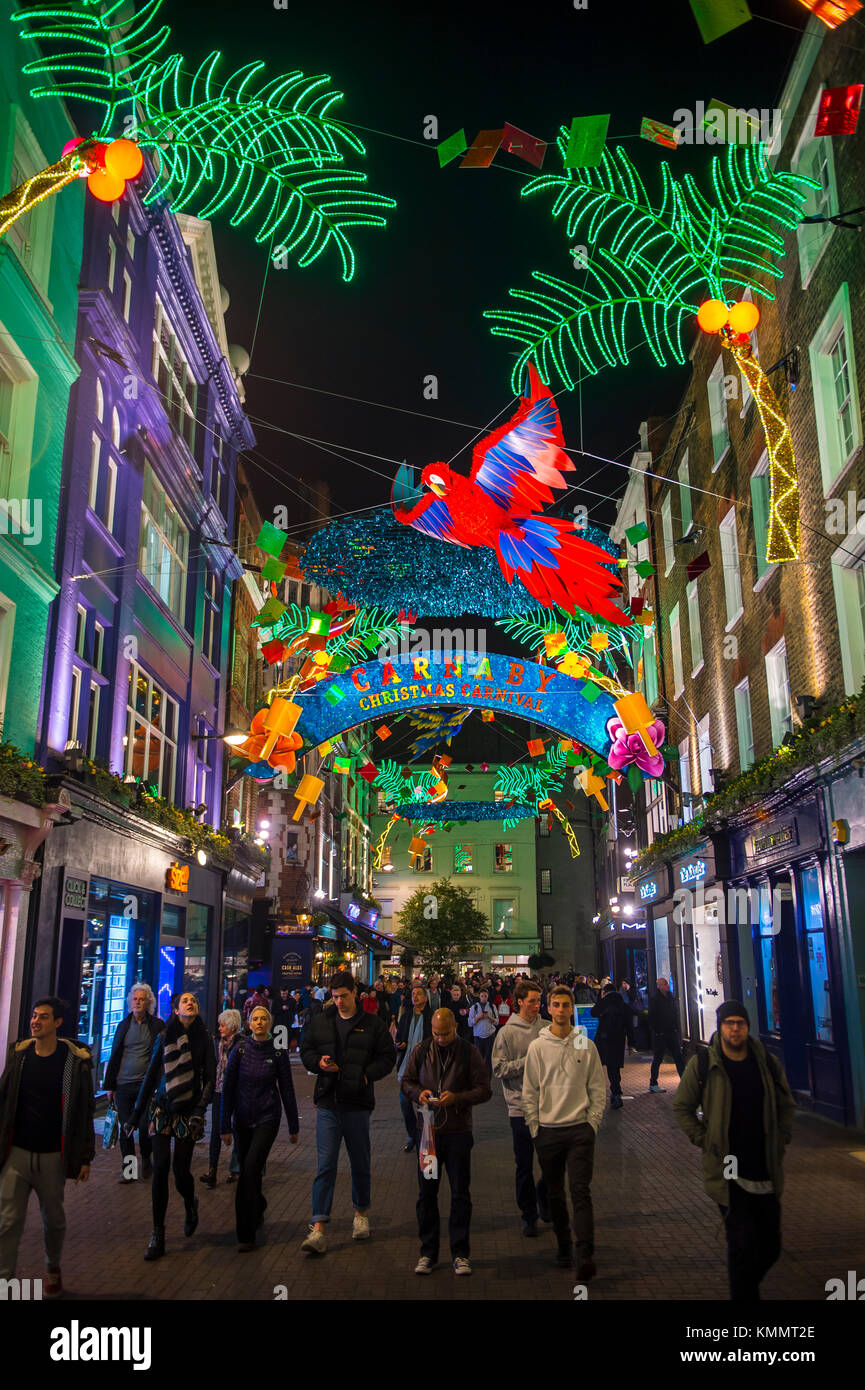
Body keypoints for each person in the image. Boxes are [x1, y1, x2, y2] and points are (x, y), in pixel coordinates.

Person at [673, 1001, 795, 1301]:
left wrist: (781, 1139)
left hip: (764, 1167)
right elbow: (683, 1108)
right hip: (727, 1172)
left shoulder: (765, 1061)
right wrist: (705, 1140)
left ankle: (746, 1289)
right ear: (720, 1026)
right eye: (729, 1023)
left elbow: (786, 1105)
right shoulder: (704, 1064)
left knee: (770, 1246)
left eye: (740, 1022)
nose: (735, 1028)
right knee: (740, 1246)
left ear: (748, 1026)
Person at [0, 997, 94, 1297]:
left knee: (53, 1220)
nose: (35, 1021)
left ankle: (52, 1266)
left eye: (43, 1017)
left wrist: (85, 1157)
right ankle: (5, 1285)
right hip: (17, 1153)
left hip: (53, 1155)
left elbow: (83, 1111)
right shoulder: (20, 1056)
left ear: (58, 1023)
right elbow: (4, 1100)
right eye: (34, 1016)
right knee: (8, 1221)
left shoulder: (72, 1062)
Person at [299, 971, 396, 1254]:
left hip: (357, 1103)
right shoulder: (321, 1022)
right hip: (328, 1102)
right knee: (325, 1164)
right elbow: (306, 1050)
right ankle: (318, 1227)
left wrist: (367, 1075)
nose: (339, 1001)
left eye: (343, 996)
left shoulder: (372, 1024)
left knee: (360, 1161)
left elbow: (387, 1057)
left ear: (355, 993)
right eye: (334, 996)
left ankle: (360, 1214)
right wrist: (319, 1062)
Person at [522, 984, 606, 1278]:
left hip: (580, 1130)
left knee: (580, 1191)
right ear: (548, 1008)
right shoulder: (537, 1047)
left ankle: (585, 1253)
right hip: (548, 1131)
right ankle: (563, 1245)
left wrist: (592, 1122)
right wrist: (535, 1128)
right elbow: (529, 1090)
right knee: (555, 1194)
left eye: (565, 1005)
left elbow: (597, 1087)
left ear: (573, 1008)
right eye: (555, 1005)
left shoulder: (585, 1044)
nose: (560, 1010)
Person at [401, 1007, 491, 1276]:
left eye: (446, 1033)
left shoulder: (468, 1051)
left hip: (458, 1133)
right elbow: (405, 1082)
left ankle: (460, 1253)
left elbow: (485, 1090)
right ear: (431, 1029)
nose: (440, 1038)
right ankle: (427, 1253)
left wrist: (458, 1098)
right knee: (426, 1194)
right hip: (428, 1133)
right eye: (436, 1034)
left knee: (460, 1193)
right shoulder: (420, 1050)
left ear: (455, 1027)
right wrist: (419, 1093)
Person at [127, 991, 215, 1261]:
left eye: (194, 1001)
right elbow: (151, 1075)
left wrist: (200, 1109)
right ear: (175, 1009)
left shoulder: (204, 1038)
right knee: (161, 1165)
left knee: (181, 1172)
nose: (191, 1003)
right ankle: (158, 1233)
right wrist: (135, 1115)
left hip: (189, 1110)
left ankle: (190, 1203)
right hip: (163, 1107)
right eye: (185, 1001)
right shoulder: (165, 1036)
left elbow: (210, 1078)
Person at [220, 1005, 299, 1250]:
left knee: (250, 1168)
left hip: (267, 1117)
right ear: (249, 1023)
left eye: (264, 1018)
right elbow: (228, 1088)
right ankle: (258, 1203)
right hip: (243, 1118)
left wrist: (293, 1125)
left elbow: (286, 1088)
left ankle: (245, 1233)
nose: (260, 1022)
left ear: (270, 1023)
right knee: (248, 1170)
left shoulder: (277, 1051)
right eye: (255, 1019)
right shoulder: (240, 1049)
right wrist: (224, 1125)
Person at [491, 977, 549, 1236]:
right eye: (533, 1001)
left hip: (549, 1106)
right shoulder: (507, 1033)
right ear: (520, 1003)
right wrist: (529, 1061)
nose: (538, 1006)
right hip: (519, 1108)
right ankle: (528, 1214)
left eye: (540, 1001)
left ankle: (544, 1196)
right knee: (524, 1164)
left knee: (551, 1162)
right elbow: (499, 1069)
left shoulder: (548, 1029)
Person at [104, 982, 165, 1183]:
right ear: (130, 1002)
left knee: (144, 1127)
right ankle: (129, 1171)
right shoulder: (123, 1025)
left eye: (141, 999)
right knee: (125, 1130)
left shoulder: (156, 1026)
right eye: (135, 999)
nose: (138, 1002)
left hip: (145, 1086)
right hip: (123, 1084)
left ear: (149, 1002)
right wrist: (110, 1085)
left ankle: (147, 1159)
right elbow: (115, 1055)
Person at [201, 1008, 242, 1188]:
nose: (219, 1028)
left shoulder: (242, 1045)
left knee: (238, 1131)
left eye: (222, 1025)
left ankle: (236, 1169)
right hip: (219, 1091)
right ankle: (212, 1170)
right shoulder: (217, 1043)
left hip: (237, 1093)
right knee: (216, 1131)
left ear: (232, 1027)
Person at [395, 985, 432, 1151]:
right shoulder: (406, 1016)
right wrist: (400, 1044)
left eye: (418, 994)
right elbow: (399, 1037)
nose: (415, 997)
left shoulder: (431, 1017)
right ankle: (412, 1134)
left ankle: (424, 1136)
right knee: (404, 1102)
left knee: (424, 1105)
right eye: (413, 994)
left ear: (425, 998)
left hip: (425, 1066)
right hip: (407, 1065)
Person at [591, 984, 630, 1110]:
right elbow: (628, 1022)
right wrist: (631, 1043)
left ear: (604, 992)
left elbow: (593, 1012)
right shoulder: (621, 1002)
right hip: (618, 1039)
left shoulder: (605, 1002)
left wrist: (600, 999)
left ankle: (600, 1094)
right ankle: (616, 1092)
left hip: (604, 1039)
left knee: (600, 1065)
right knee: (614, 1067)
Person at [648, 976, 685, 1092]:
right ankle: (653, 1083)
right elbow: (652, 1017)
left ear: (665, 985)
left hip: (671, 1032)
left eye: (661, 984)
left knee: (678, 1057)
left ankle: (685, 1081)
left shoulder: (670, 998)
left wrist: (675, 1028)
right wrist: (658, 1031)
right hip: (662, 1034)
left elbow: (674, 1014)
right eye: (658, 984)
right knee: (658, 1058)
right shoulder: (656, 1000)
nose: (659, 986)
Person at [467, 989, 498, 1074]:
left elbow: (496, 1022)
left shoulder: (492, 1006)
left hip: (490, 1036)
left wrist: (489, 1017)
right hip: (478, 1036)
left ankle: (488, 1077)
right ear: (479, 996)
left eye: (485, 996)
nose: (484, 998)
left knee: (489, 1059)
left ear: (488, 996)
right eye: (482, 996)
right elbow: (470, 1023)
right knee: (479, 1058)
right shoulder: (475, 1007)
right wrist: (478, 1017)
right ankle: (479, 1076)